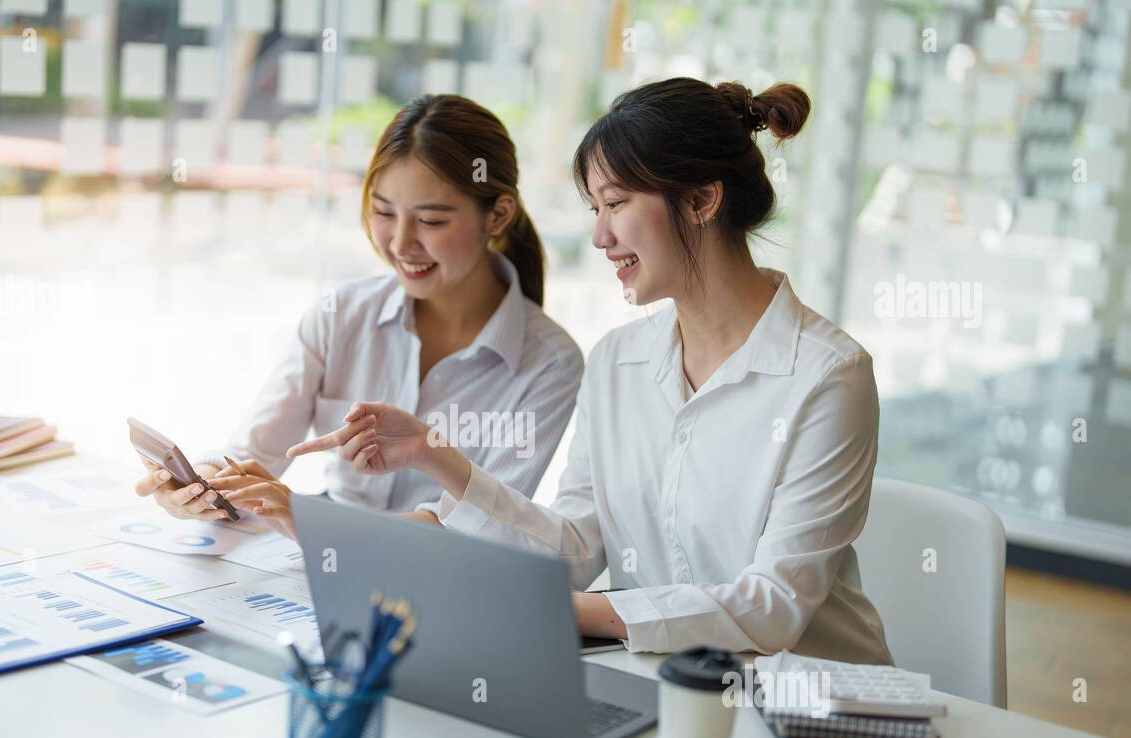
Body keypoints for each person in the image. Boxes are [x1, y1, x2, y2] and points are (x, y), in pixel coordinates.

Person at [281, 78, 892, 665]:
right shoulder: (617, 361)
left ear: (704, 199)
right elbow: (573, 548)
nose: (600, 236)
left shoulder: (828, 375)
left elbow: (774, 607)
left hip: (818, 710)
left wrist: (574, 613)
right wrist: (432, 454)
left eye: (617, 204)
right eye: (596, 208)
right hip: (672, 685)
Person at [133, 94, 583, 539]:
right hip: (319, 549)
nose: (401, 243)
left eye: (431, 221)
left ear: (498, 216)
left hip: (439, 579)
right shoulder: (341, 315)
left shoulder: (549, 362)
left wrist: (315, 523)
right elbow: (253, 454)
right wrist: (201, 487)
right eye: (384, 212)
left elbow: (480, 527)